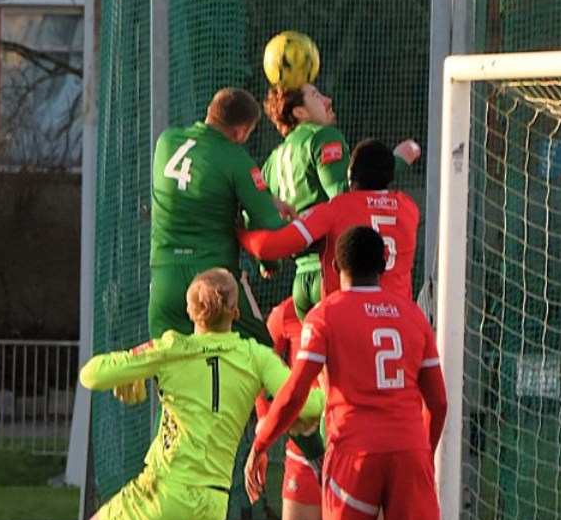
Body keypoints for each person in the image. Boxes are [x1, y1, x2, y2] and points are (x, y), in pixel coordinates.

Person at [8, 268, 323, 520]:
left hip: (163, 489)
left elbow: (92, 374)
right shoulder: (255, 355)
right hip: (212, 504)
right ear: (235, 311)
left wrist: (134, 369)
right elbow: (307, 404)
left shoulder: (173, 347)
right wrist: (325, 391)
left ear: (190, 311)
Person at [245, 227, 448, 520]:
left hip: (354, 452)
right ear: (385, 266)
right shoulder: (412, 315)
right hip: (409, 448)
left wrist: (262, 441)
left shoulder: (325, 314)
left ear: (335, 267)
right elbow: (437, 401)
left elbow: (295, 391)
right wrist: (425, 449)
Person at [227, 297, 383, 520]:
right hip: (307, 445)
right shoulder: (285, 313)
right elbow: (260, 369)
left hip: (355, 443)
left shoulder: (362, 307)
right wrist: (266, 422)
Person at [260, 85, 419, 320]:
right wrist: (396, 161)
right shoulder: (323, 137)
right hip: (331, 271)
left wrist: (268, 263)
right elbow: (346, 194)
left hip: (301, 278)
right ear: (300, 112)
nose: (327, 100)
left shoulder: (272, 161)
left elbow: (257, 215)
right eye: (316, 96)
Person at [150, 87, 294, 345]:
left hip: (166, 280)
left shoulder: (166, 141)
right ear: (240, 132)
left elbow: (199, 182)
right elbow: (269, 225)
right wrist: (271, 264)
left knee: (168, 360)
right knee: (259, 352)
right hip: (216, 281)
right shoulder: (236, 159)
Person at [239, 138, 421, 303]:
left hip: (346, 312)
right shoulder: (408, 208)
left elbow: (270, 247)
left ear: (350, 174)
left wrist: (240, 232)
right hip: (399, 313)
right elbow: (411, 148)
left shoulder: (336, 208)